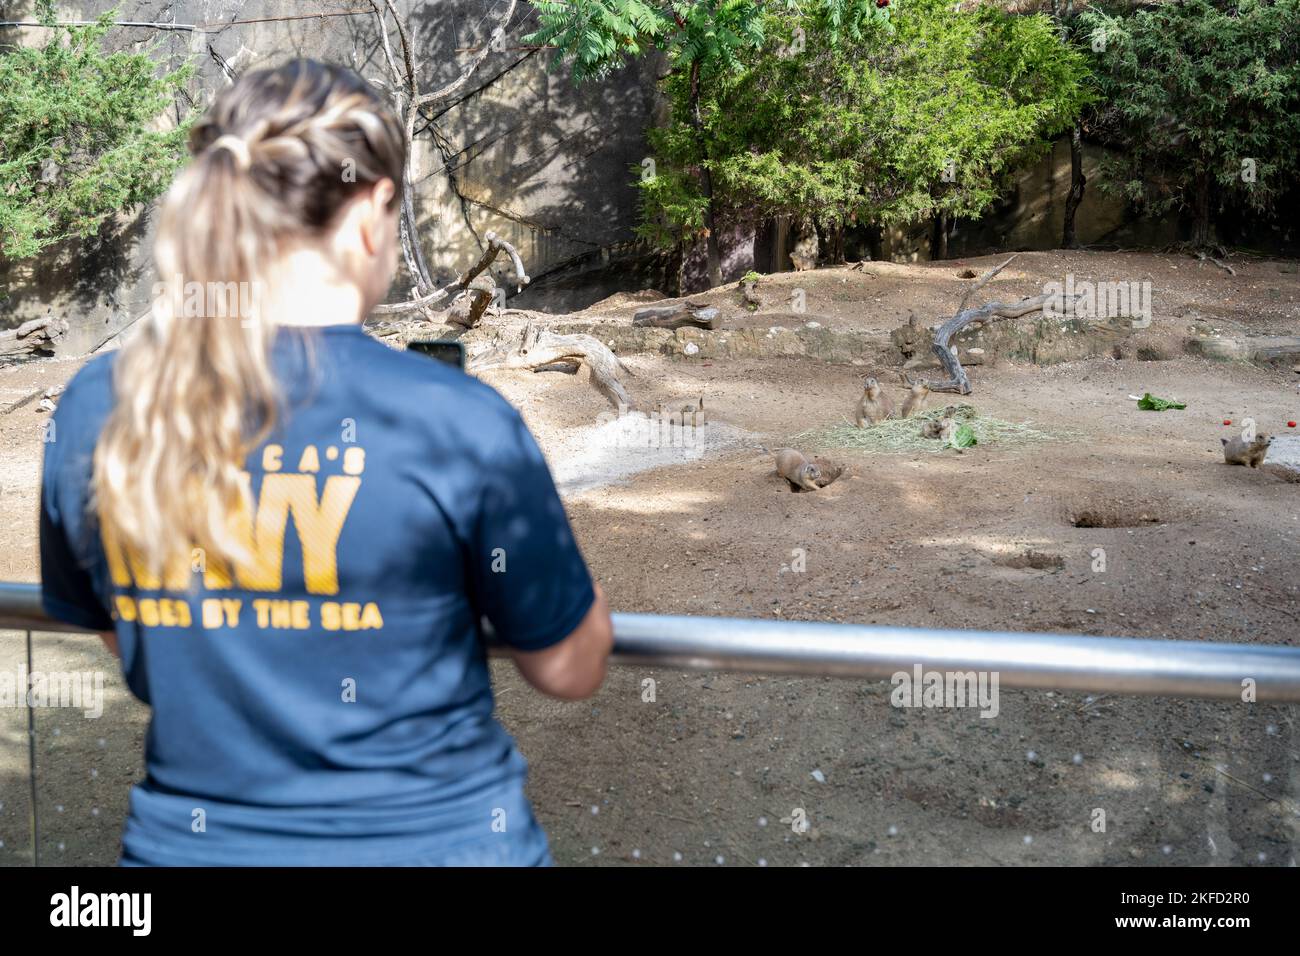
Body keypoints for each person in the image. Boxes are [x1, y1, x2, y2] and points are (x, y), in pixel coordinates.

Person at [39, 59, 613, 867]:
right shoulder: (455, 420)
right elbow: (568, 666)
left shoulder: (96, 404)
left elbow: (121, 635)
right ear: (374, 211)